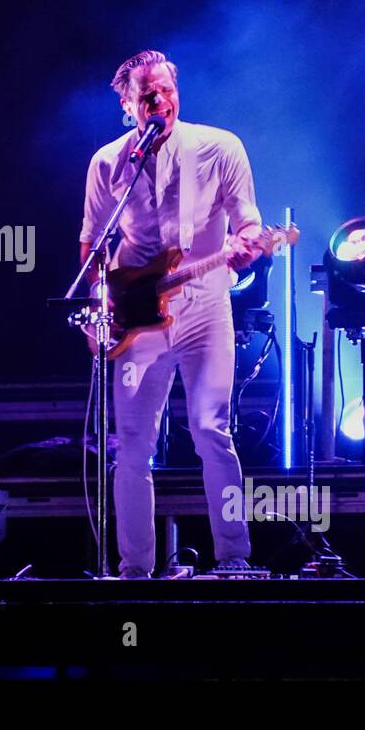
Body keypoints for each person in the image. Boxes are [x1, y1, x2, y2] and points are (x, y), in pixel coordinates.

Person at [79, 50, 261, 578]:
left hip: (204, 305)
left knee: (211, 428)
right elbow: (92, 245)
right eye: (147, 95)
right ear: (127, 105)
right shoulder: (108, 162)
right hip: (137, 319)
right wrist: (104, 306)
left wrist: (249, 243)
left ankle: (234, 558)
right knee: (132, 446)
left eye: (166, 90)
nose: (160, 101)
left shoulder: (219, 147)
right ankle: (134, 570)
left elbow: (249, 222)